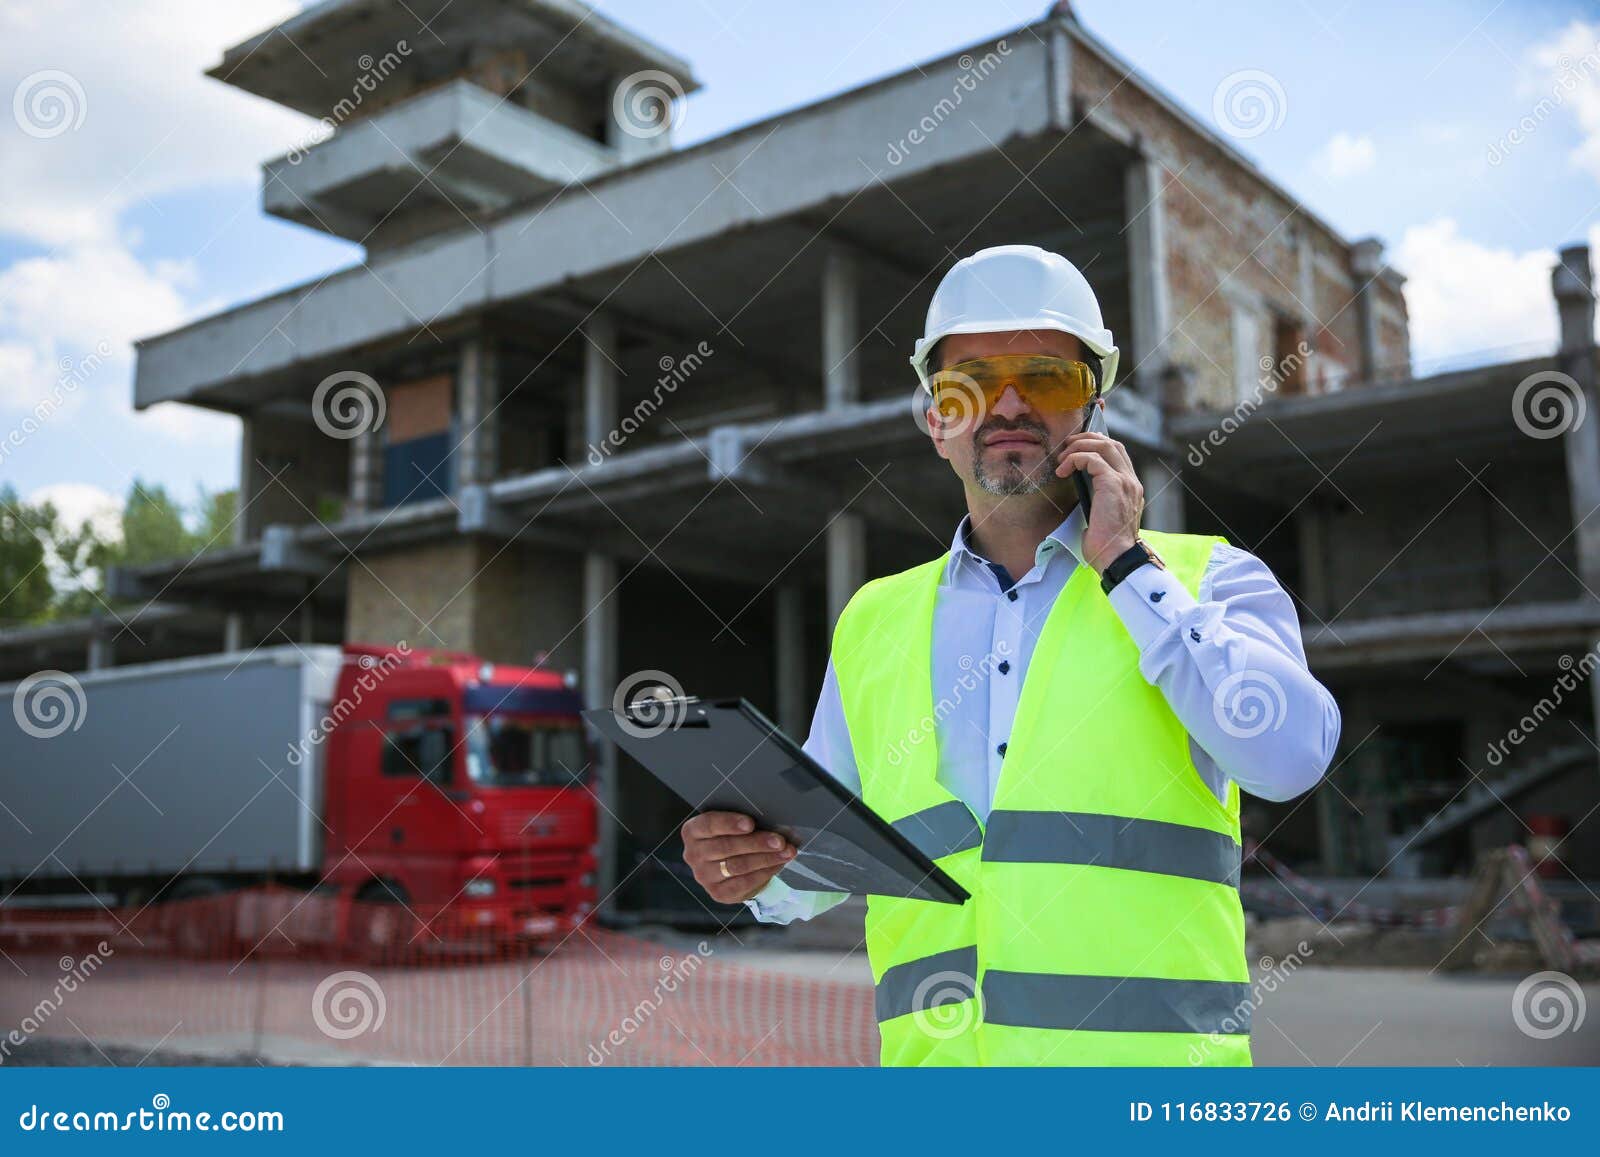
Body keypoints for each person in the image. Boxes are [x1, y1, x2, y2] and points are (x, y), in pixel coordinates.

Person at [680, 244, 1340, 1066]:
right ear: (936, 422)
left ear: (1092, 415)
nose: (1012, 403)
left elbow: (1290, 758)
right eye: (972, 384)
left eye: (1049, 379)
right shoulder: (873, 621)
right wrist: (751, 868)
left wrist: (1128, 567)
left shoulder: (1207, 580)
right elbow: (819, 853)